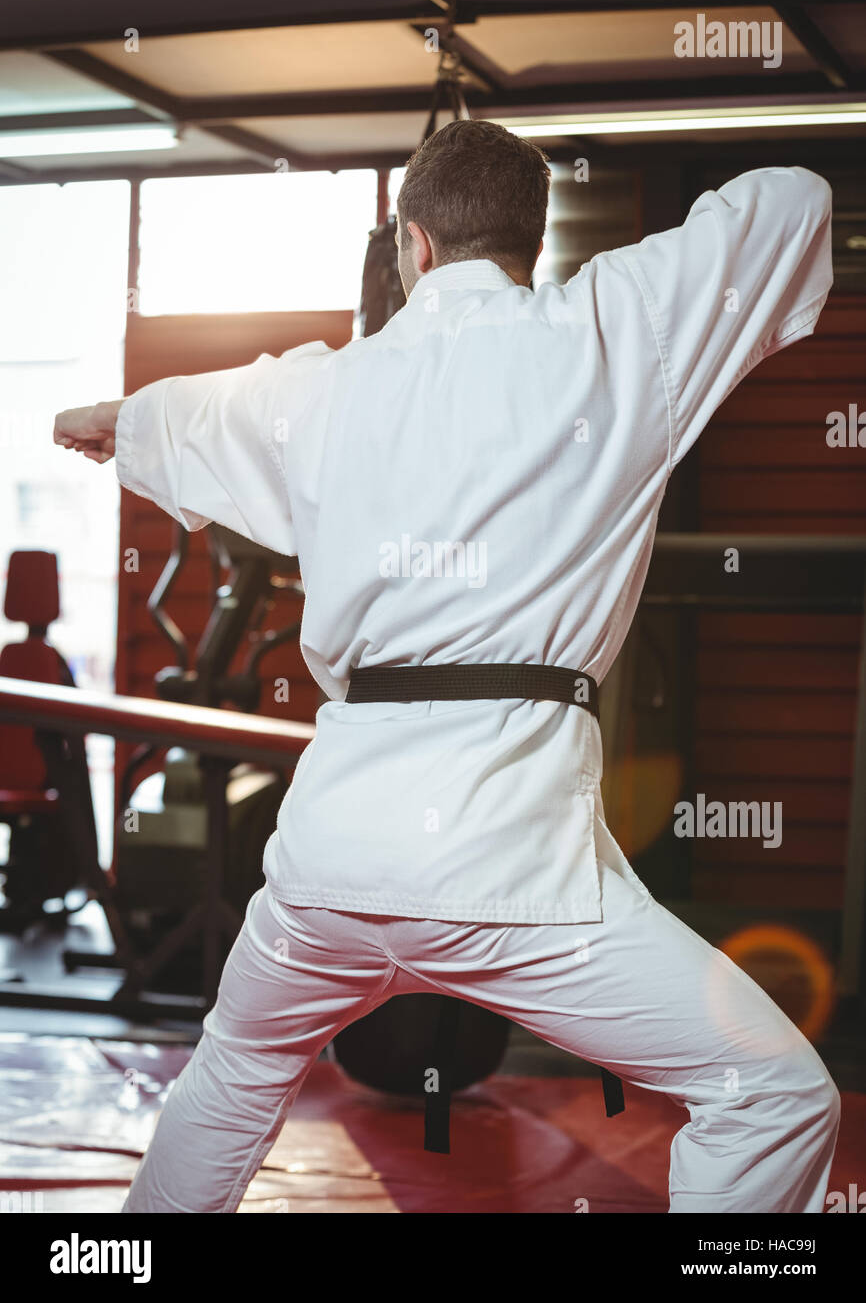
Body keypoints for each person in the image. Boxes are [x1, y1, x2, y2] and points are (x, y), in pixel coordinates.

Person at [55, 120, 838, 1214]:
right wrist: (633, 274)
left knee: (228, 1081)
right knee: (769, 1092)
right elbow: (794, 199)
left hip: (329, 860)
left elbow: (198, 412)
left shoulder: (323, 390)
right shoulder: (607, 329)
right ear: (534, 237)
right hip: (509, 871)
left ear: (411, 246)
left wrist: (112, 419)